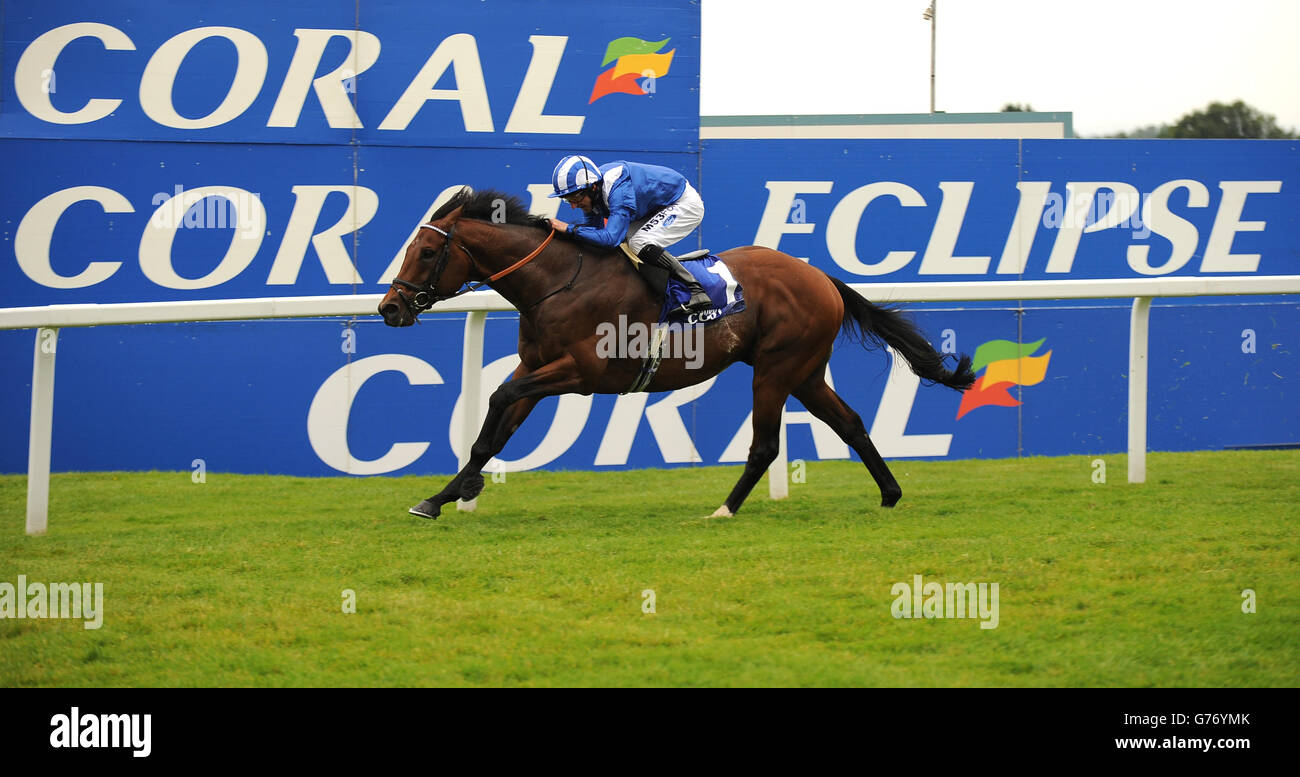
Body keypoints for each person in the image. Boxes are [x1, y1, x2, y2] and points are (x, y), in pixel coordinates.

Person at [547, 155, 712, 313]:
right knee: (625, 243)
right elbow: (595, 236)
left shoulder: (618, 190)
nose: (574, 206)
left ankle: (695, 289)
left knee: (638, 242)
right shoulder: (592, 193)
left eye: (575, 198)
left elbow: (610, 239)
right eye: (567, 200)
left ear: (593, 187)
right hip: (654, 208)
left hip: (683, 203)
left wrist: (569, 229)